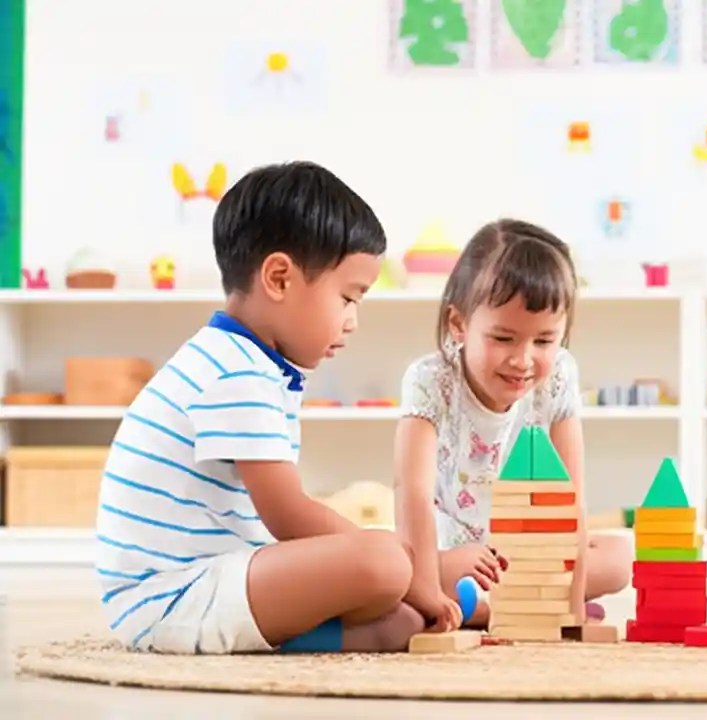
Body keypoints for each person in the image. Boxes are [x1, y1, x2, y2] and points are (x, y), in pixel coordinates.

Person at [95, 161, 447, 655]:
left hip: (207, 581)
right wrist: (409, 574)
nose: (352, 321)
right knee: (385, 563)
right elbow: (288, 516)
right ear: (279, 278)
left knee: (397, 589)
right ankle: (331, 623)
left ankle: (336, 629)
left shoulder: (242, 360)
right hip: (172, 599)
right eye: (348, 298)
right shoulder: (236, 372)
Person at [394, 218, 631, 628]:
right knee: (401, 571)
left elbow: (570, 495)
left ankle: (500, 608)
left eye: (543, 341)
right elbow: (411, 492)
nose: (523, 360)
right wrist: (429, 588)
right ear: (459, 324)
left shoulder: (558, 375)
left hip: (528, 551)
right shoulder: (431, 380)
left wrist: (572, 607)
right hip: (452, 550)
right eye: (503, 339)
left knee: (619, 559)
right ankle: (490, 606)